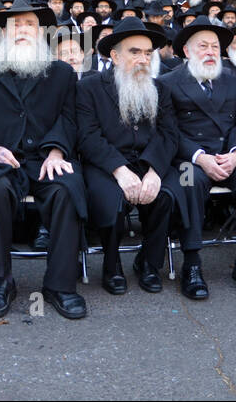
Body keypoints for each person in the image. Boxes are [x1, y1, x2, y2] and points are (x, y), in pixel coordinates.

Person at [0, 0, 87, 318]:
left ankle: (60, 285)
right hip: (2, 158)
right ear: (4, 33)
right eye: (15, 24)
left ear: (42, 33)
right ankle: (1, 281)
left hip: (46, 157)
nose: (22, 29)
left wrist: (56, 150)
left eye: (29, 24)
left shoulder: (62, 73)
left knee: (66, 189)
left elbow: (70, 118)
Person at [161, 17, 236, 294]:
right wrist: (200, 157)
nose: (211, 51)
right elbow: (169, 132)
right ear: (187, 52)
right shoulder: (167, 82)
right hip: (189, 159)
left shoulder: (233, 79)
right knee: (190, 182)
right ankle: (191, 263)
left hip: (228, 155)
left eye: (215, 46)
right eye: (203, 46)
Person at [77, 17, 182, 294]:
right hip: (106, 165)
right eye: (135, 52)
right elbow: (88, 136)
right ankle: (112, 265)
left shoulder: (161, 90)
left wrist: (154, 171)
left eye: (148, 53)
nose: (144, 59)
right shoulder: (89, 87)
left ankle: (148, 263)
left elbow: (169, 135)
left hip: (149, 162)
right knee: (111, 199)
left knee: (167, 195)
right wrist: (120, 171)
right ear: (114, 55)